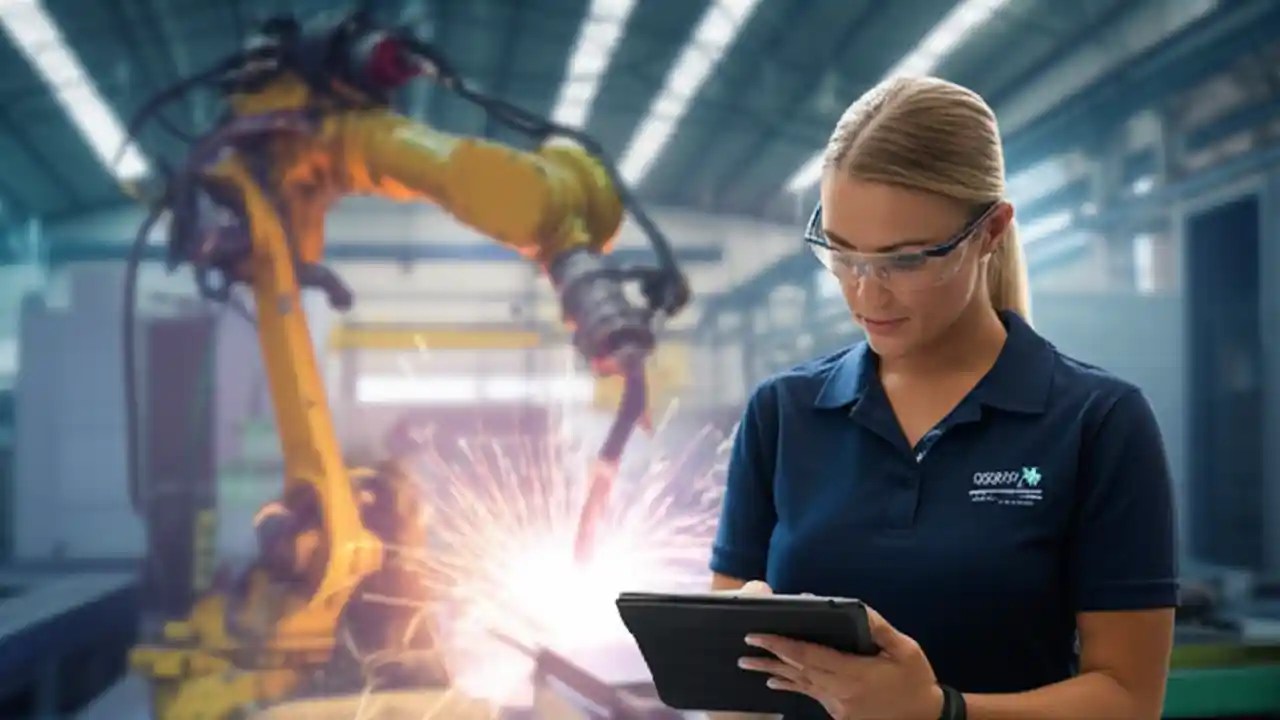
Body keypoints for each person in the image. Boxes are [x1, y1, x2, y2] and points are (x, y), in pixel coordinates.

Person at [709, 75, 1178, 720]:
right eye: (843, 256)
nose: (867, 295)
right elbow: (725, 694)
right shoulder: (783, 415)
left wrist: (939, 712)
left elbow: (1128, 699)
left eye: (905, 261)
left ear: (990, 233)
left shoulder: (1097, 422)